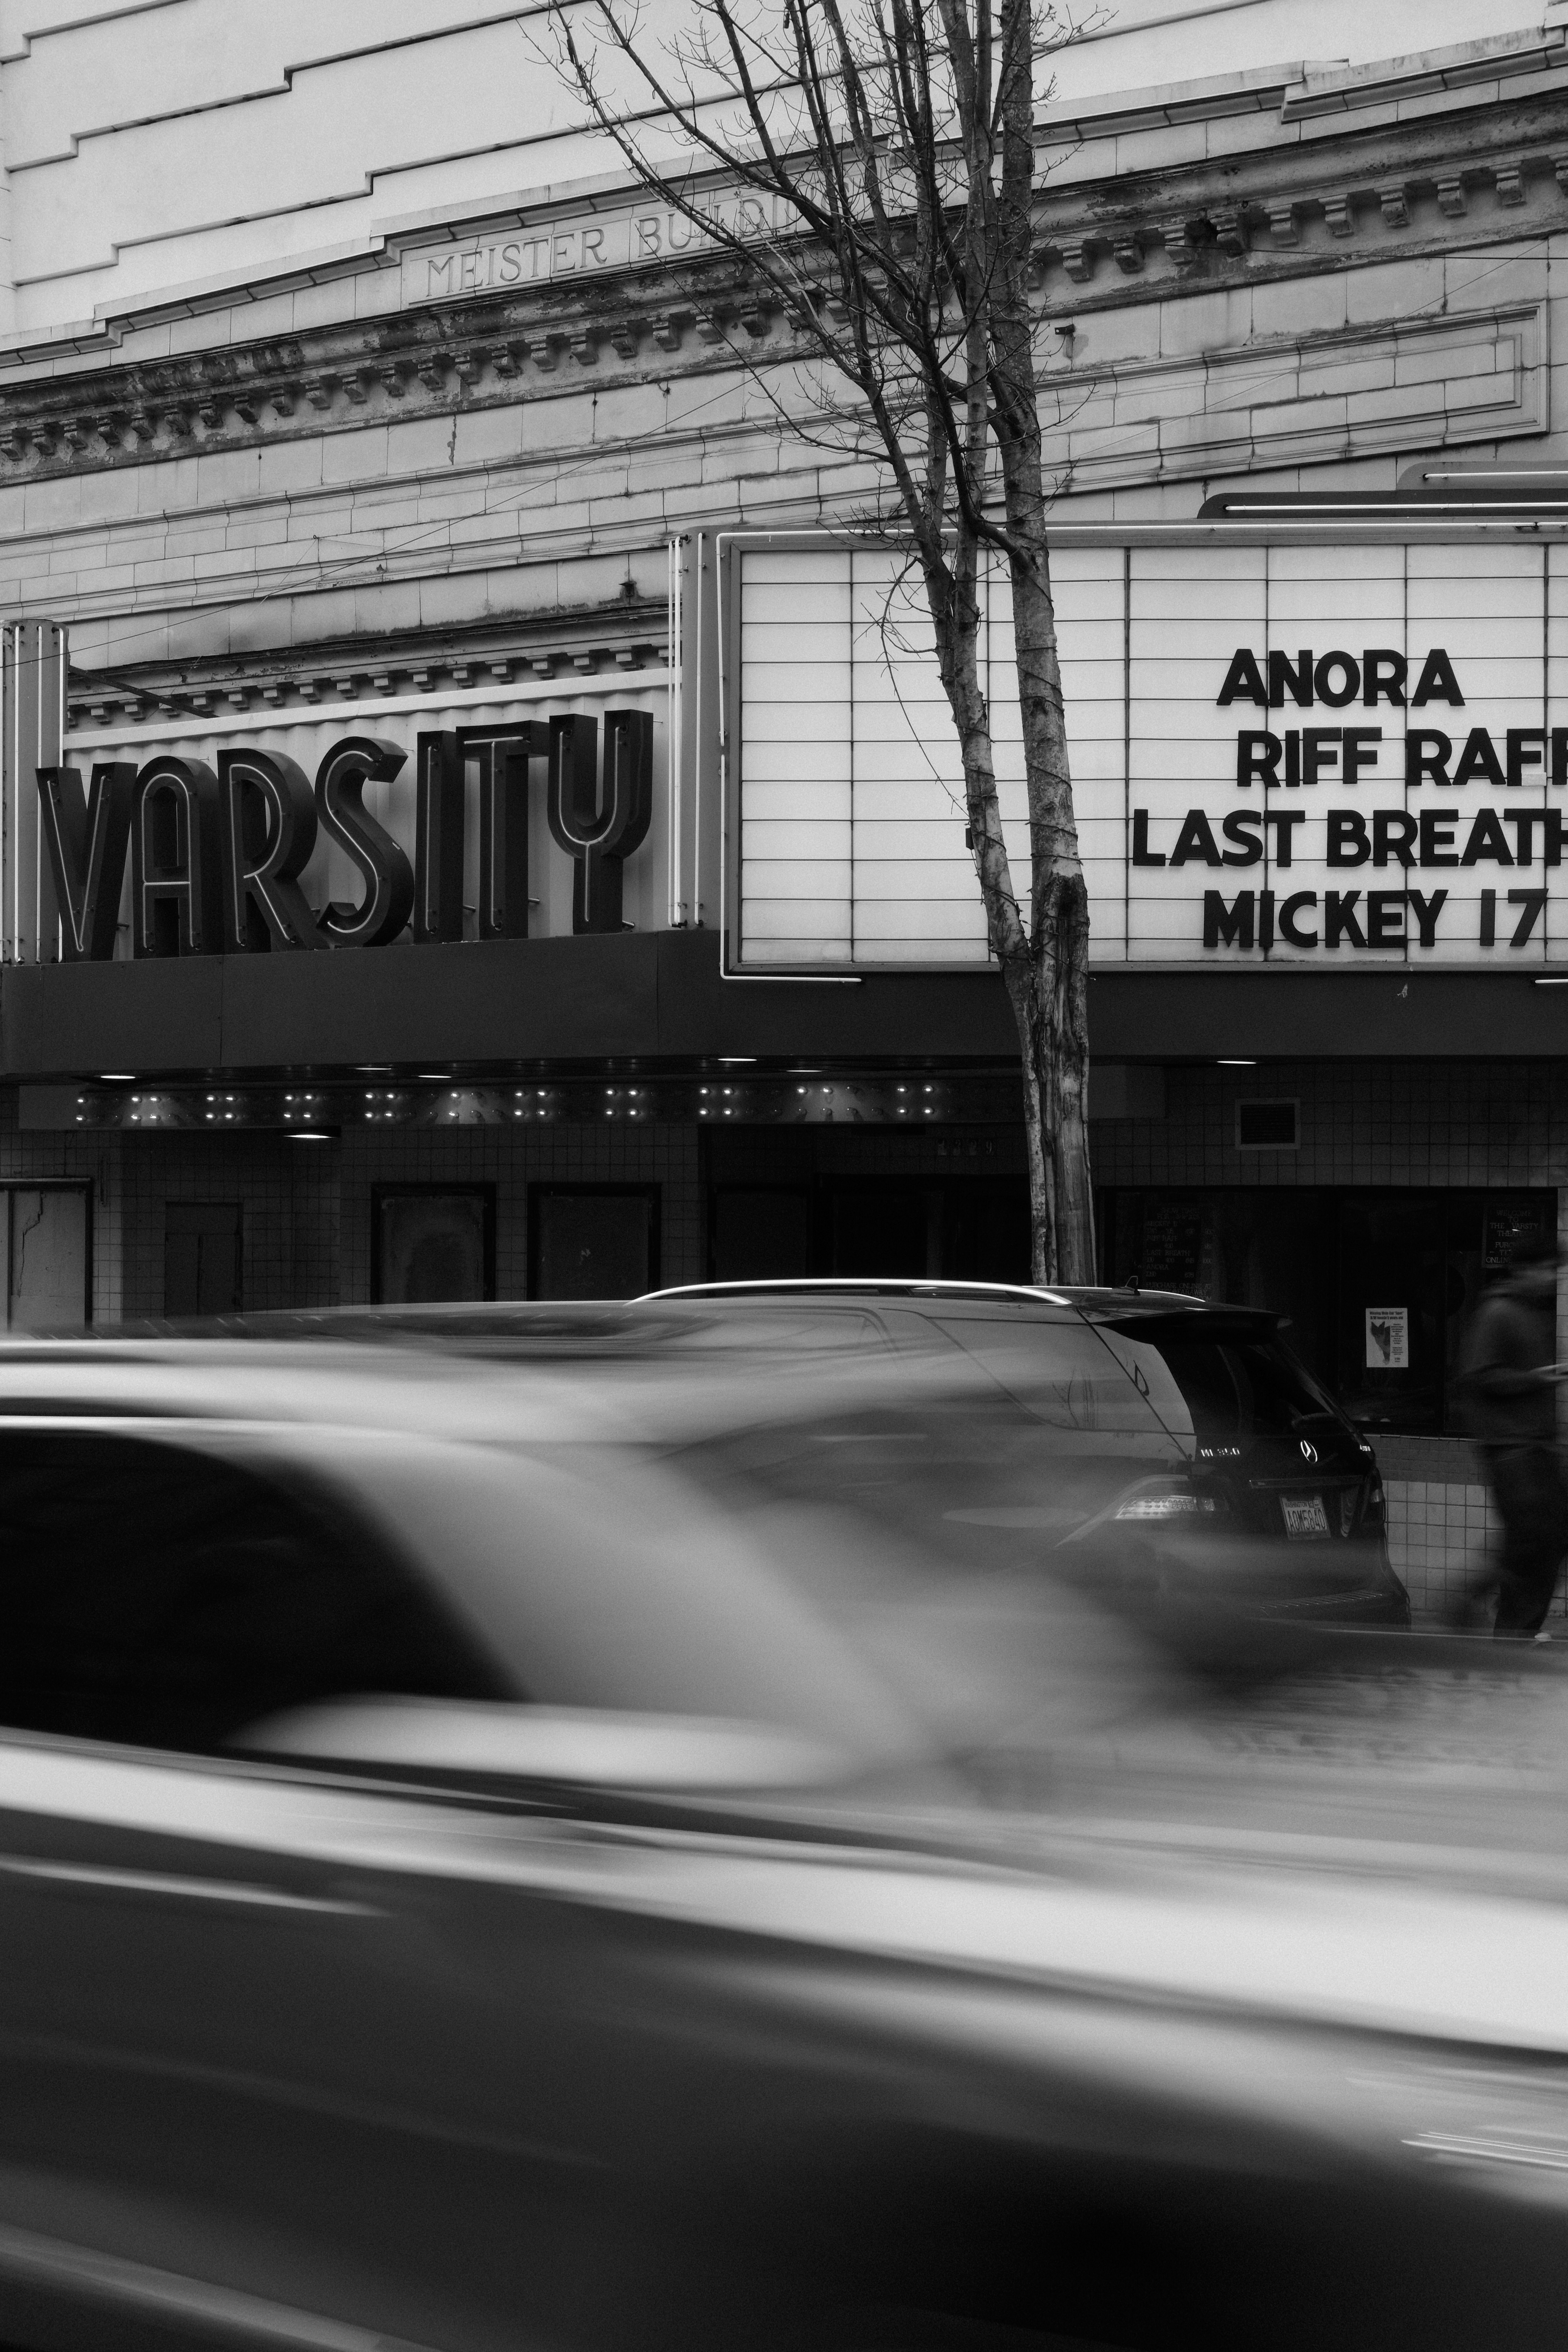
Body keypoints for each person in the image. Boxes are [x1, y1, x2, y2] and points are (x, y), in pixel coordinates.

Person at [1459, 1232, 1568, 1638]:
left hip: (1537, 1447)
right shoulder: (1498, 1312)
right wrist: (1534, 1379)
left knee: (1550, 1539)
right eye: (1546, 1269)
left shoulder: (1531, 1313)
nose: (1552, 1278)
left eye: (1556, 1270)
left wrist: (1542, 1378)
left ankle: (1514, 1628)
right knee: (1531, 1542)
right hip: (1510, 1449)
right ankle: (1503, 1629)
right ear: (1523, 1270)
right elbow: (1478, 1376)